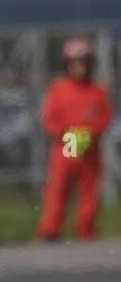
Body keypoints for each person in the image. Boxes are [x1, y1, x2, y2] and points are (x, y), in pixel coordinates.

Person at [37, 37, 113, 241]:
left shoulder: (97, 91)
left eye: (85, 63)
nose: (81, 67)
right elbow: (50, 118)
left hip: (89, 149)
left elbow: (105, 117)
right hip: (65, 147)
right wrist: (66, 134)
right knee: (58, 189)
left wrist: (90, 133)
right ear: (68, 65)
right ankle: (50, 230)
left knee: (90, 190)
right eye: (77, 63)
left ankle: (86, 230)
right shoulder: (59, 91)